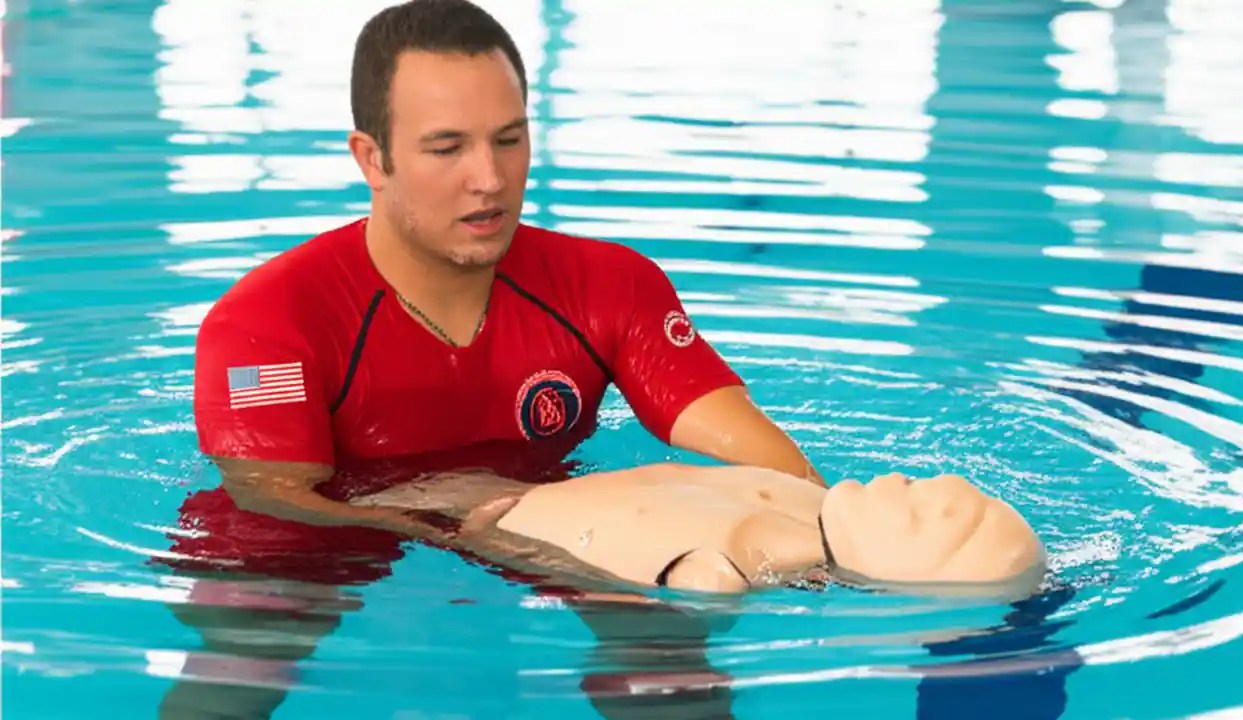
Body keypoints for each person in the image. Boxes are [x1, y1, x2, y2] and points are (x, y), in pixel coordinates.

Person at [157, 1, 818, 718]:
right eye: (448, 149)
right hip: (319, 541)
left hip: (544, 521)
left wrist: (820, 525)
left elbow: (749, 446)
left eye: (509, 140)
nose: (490, 179)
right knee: (237, 663)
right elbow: (271, 497)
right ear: (371, 158)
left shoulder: (609, 287)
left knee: (669, 659)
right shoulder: (268, 320)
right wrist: (450, 520)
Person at [352, 466, 1048, 598]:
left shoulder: (746, 566)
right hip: (513, 491)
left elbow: (697, 585)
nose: (928, 484)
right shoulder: (806, 496)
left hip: (475, 536)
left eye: (928, 513)